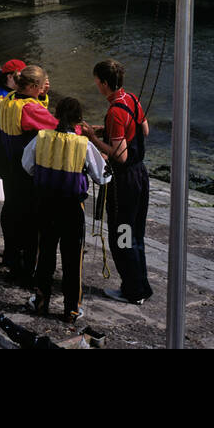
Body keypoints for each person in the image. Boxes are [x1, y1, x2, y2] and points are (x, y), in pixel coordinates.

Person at [22, 96, 106, 323]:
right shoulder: (84, 144)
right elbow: (102, 177)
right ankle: (71, 309)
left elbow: (27, 164)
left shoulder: (41, 138)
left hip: (46, 204)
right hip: (71, 208)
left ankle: (40, 301)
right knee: (72, 259)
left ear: (56, 115)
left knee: (45, 254)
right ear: (79, 119)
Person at [83, 59, 153, 304]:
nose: (97, 87)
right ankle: (140, 286)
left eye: (97, 83)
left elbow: (119, 155)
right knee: (135, 233)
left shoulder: (114, 110)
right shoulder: (131, 99)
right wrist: (106, 132)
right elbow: (143, 130)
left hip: (124, 181)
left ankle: (132, 290)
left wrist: (93, 137)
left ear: (103, 83)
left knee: (121, 235)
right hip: (141, 175)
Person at [0, 63, 58, 285]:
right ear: (32, 86)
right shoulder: (30, 108)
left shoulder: (9, 98)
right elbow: (54, 125)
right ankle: (27, 269)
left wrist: (43, 96)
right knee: (31, 221)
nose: (43, 90)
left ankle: (10, 256)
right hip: (25, 170)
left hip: (7, 164)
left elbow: (36, 109)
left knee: (11, 210)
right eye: (40, 86)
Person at [0, 58, 25, 270]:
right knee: (14, 204)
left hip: (2, 155)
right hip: (7, 156)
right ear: (10, 77)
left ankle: (11, 250)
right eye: (20, 78)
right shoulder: (2, 100)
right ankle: (12, 251)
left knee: (12, 203)